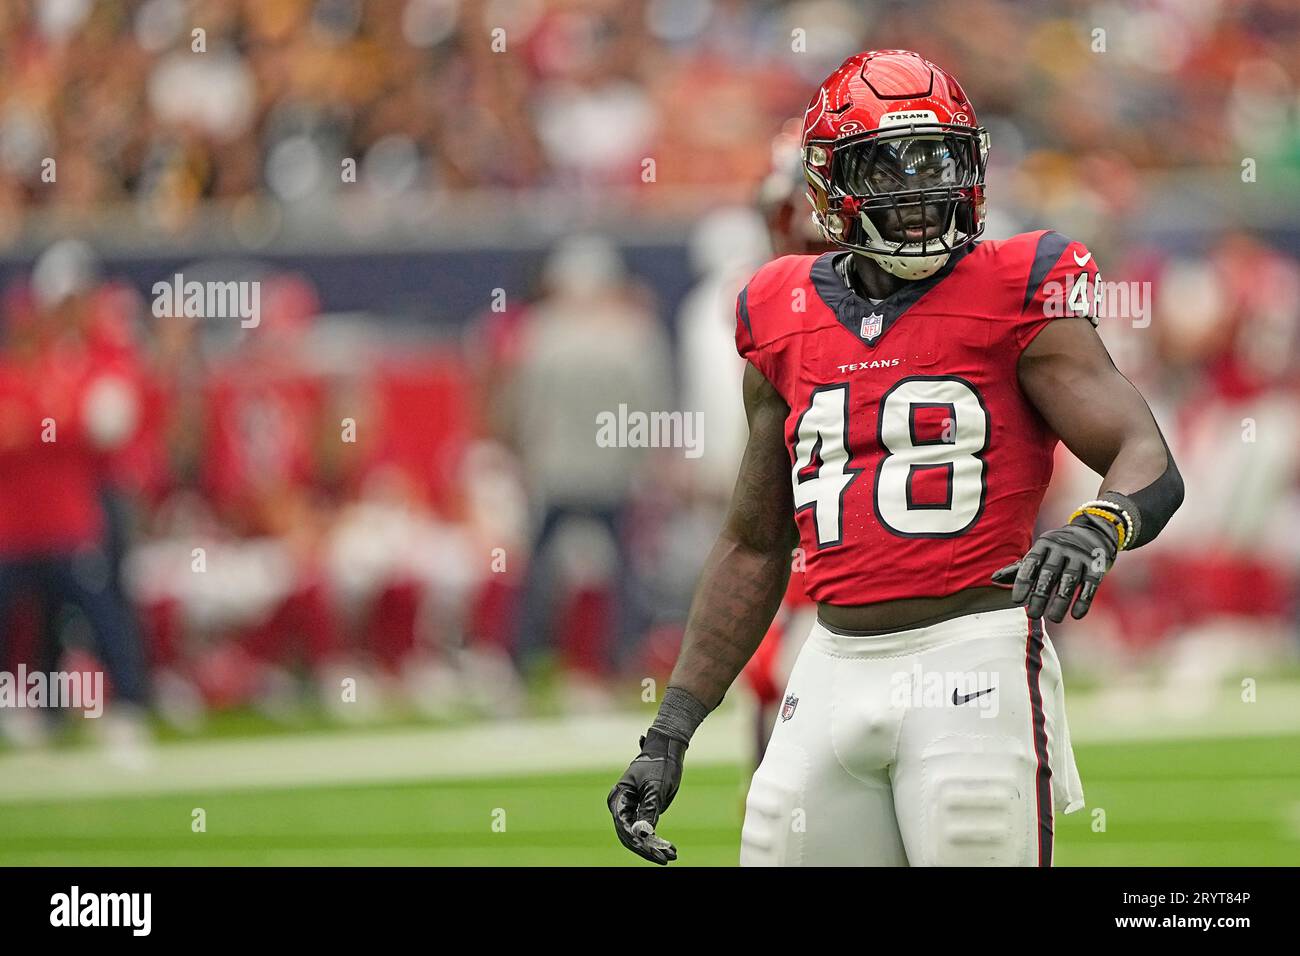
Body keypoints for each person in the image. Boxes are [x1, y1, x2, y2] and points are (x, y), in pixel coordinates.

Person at [608, 50, 1183, 867]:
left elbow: (1144, 452)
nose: (921, 192)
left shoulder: (1020, 287)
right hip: (832, 662)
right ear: (832, 181)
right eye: (890, 166)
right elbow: (754, 544)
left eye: (941, 160)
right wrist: (670, 728)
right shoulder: (780, 308)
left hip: (974, 653)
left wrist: (1102, 524)